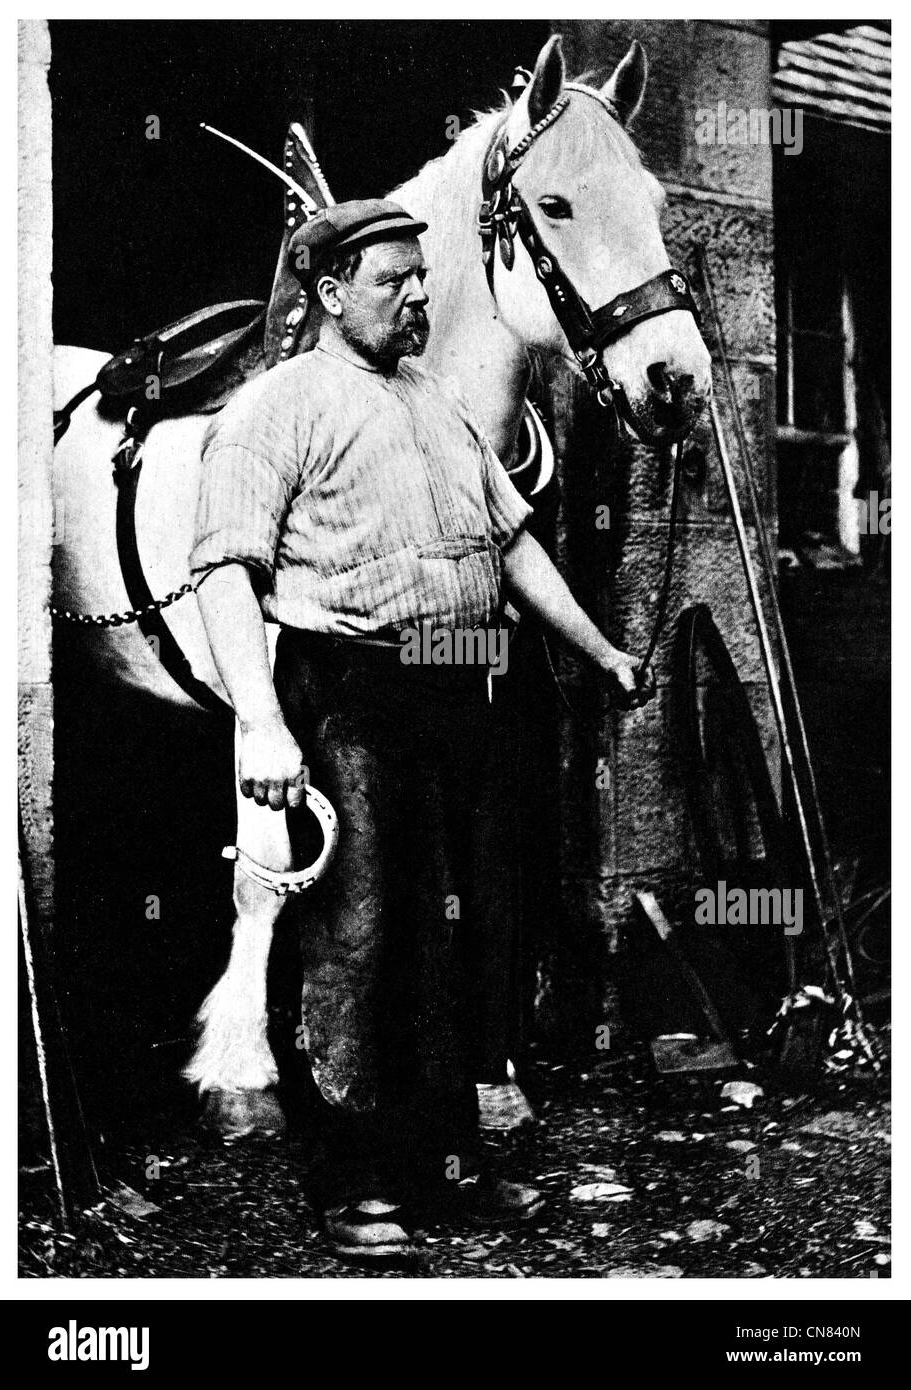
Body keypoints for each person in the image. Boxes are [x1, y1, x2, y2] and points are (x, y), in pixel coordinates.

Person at [190, 198, 655, 1262]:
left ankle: (443, 1170)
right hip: (345, 693)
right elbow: (223, 572)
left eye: (421, 279)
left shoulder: (434, 400)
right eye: (394, 280)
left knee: (452, 938)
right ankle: (352, 1182)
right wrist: (262, 726)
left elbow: (515, 543)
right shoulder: (273, 410)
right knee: (357, 939)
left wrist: (601, 651)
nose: (416, 298)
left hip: (458, 699)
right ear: (326, 294)